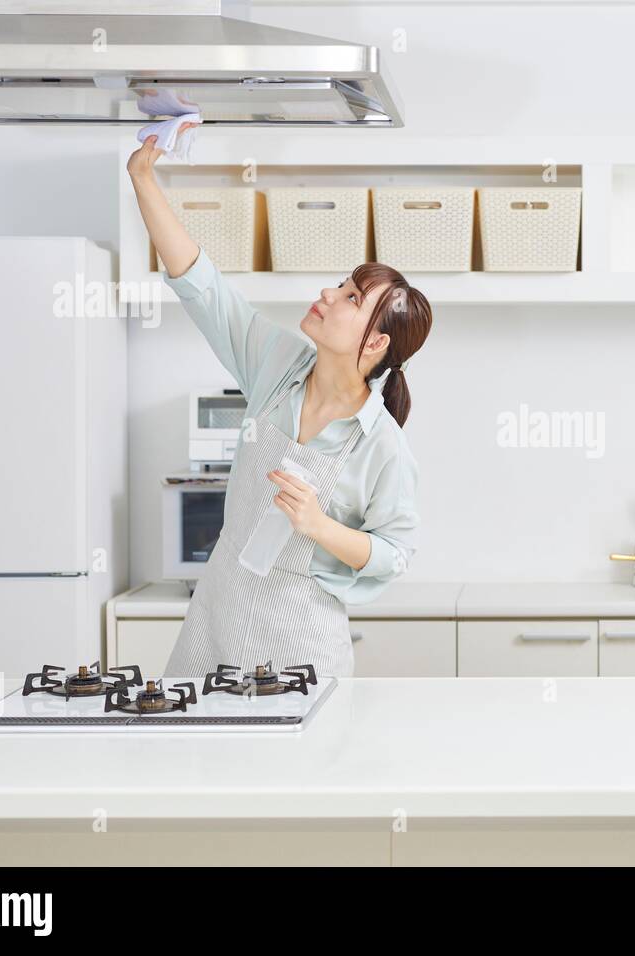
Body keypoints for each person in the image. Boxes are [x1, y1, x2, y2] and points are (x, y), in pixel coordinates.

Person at [127, 132, 432, 678]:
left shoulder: (381, 443)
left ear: (377, 343)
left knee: (286, 765)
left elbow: (394, 553)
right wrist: (143, 179)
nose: (328, 294)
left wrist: (318, 525)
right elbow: (204, 289)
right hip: (211, 626)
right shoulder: (279, 366)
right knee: (188, 761)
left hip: (299, 645)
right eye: (340, 285)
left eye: (350, 298)